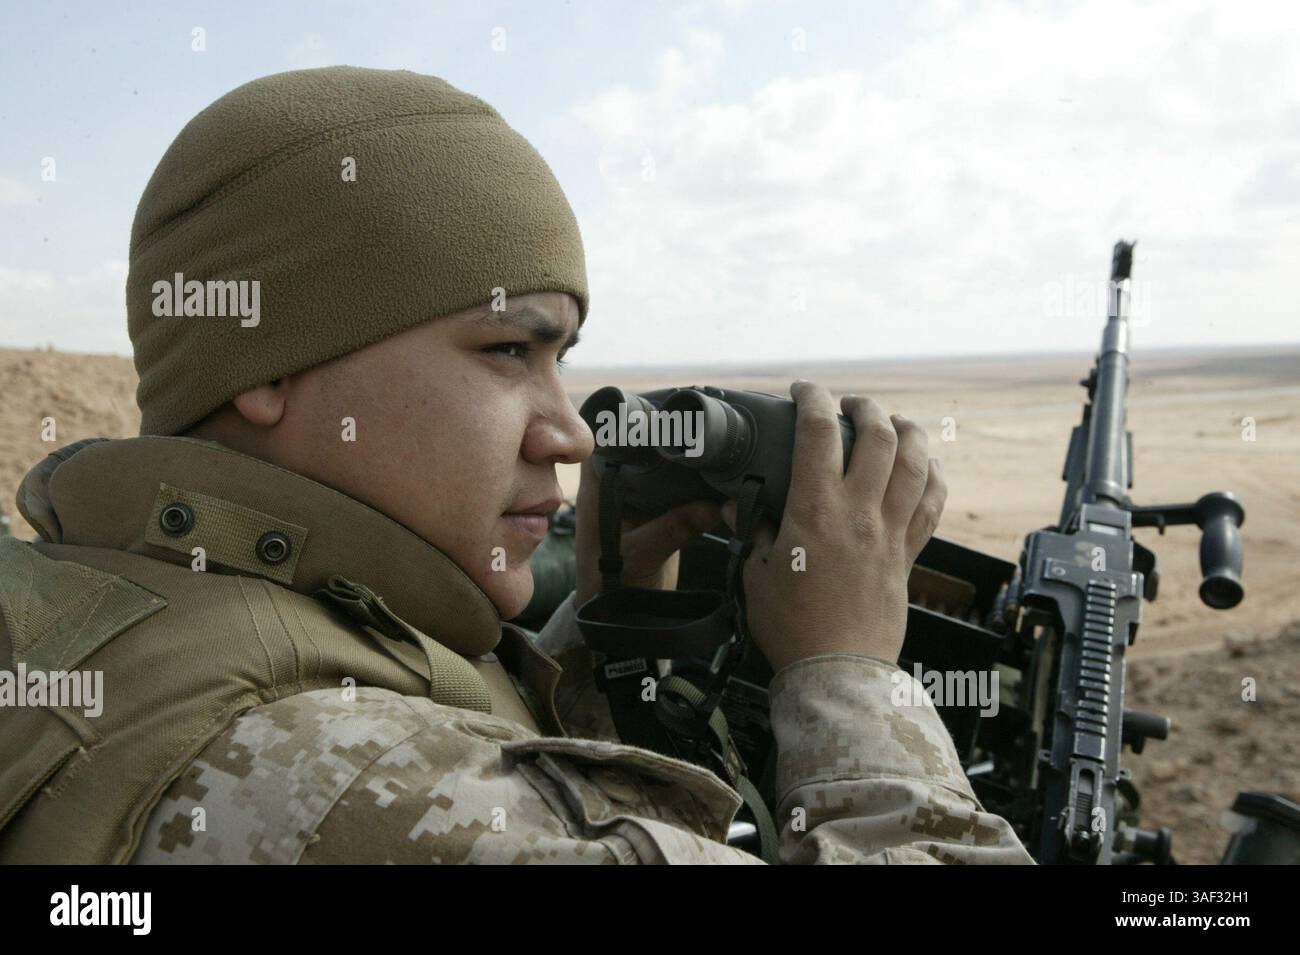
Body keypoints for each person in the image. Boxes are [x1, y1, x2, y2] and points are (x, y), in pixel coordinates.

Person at [0, 66, 1033, 865]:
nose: (569, 431)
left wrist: (608, 615)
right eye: (507, 351)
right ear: (271, 361)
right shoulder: (352, 778)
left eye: (562, 359)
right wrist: (846, 670)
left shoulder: (119, 609)